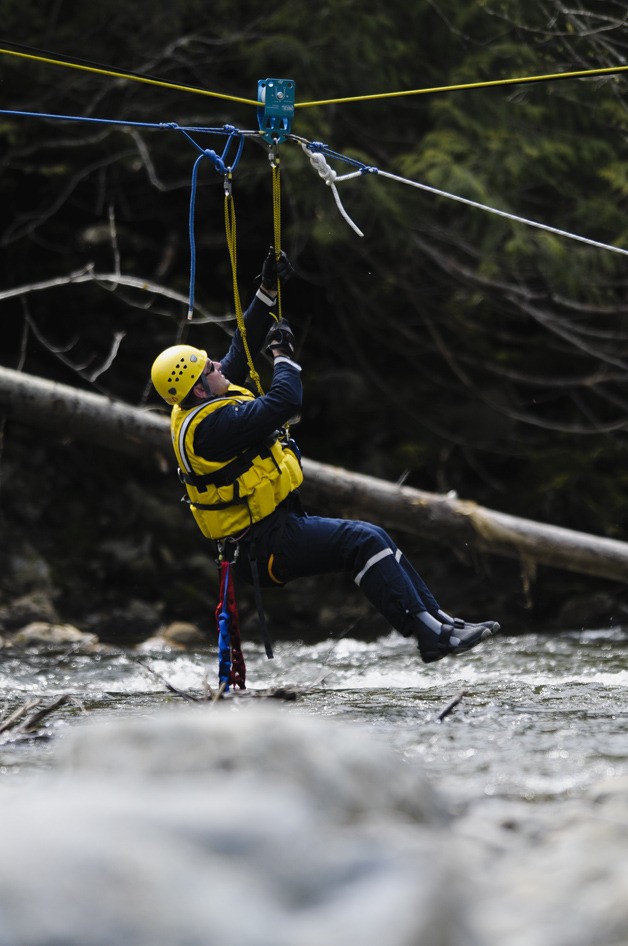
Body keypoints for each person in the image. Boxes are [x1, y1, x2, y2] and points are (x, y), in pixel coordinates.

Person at [150, 248, 500, 664]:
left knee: (373, 537)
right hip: (262, 546)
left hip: (273, 529)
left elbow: (238, 351)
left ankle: (440, 624)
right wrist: (283, 356)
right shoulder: (213, 429)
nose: (216, 364)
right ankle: (429, 636)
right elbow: (285, 401)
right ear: (198, 388)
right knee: (364, 540)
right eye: (208, 368)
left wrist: (266, 291)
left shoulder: (199, 401)